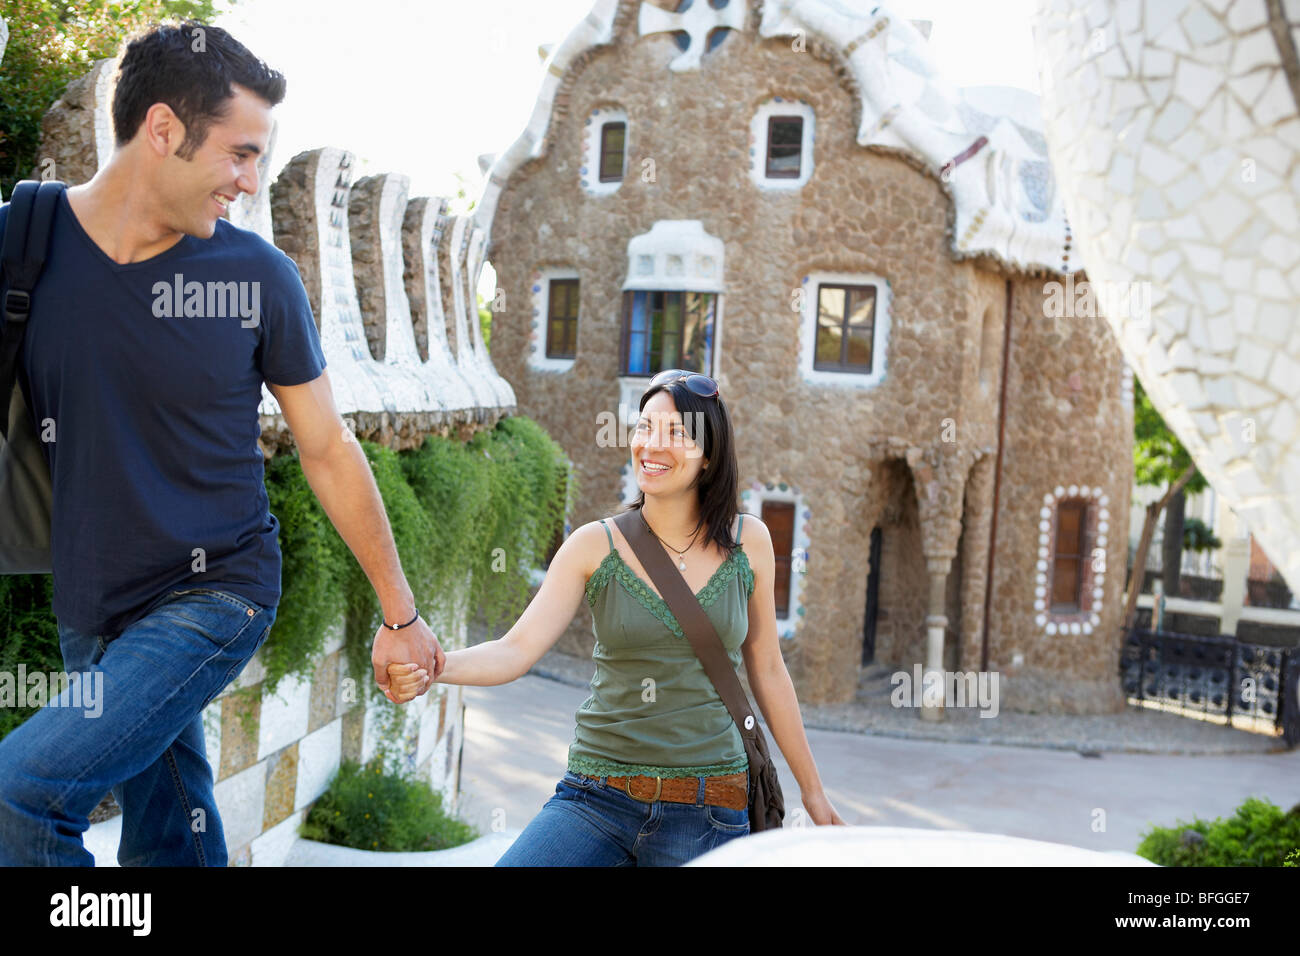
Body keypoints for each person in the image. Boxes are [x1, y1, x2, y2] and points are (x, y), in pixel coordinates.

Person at [0, 21, 442, 867]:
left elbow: (327, 447)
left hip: (217, 594)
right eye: (239, 155)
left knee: (23, 791)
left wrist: (401, 613)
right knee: (175, 825)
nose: (247, 183)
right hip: (92, 605)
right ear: (163, 130)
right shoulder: (24, 245)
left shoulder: (257, 278)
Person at [389, 368, 847, 865]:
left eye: (677, 434)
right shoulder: (593, 544)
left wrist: (813, 792)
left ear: (709, 455)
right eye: (644, 427)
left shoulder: (748, 541)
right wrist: (433, 666)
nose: (652, 444)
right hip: (596, 797)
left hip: (710, 808)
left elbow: (768, 668)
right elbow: (515, 650)